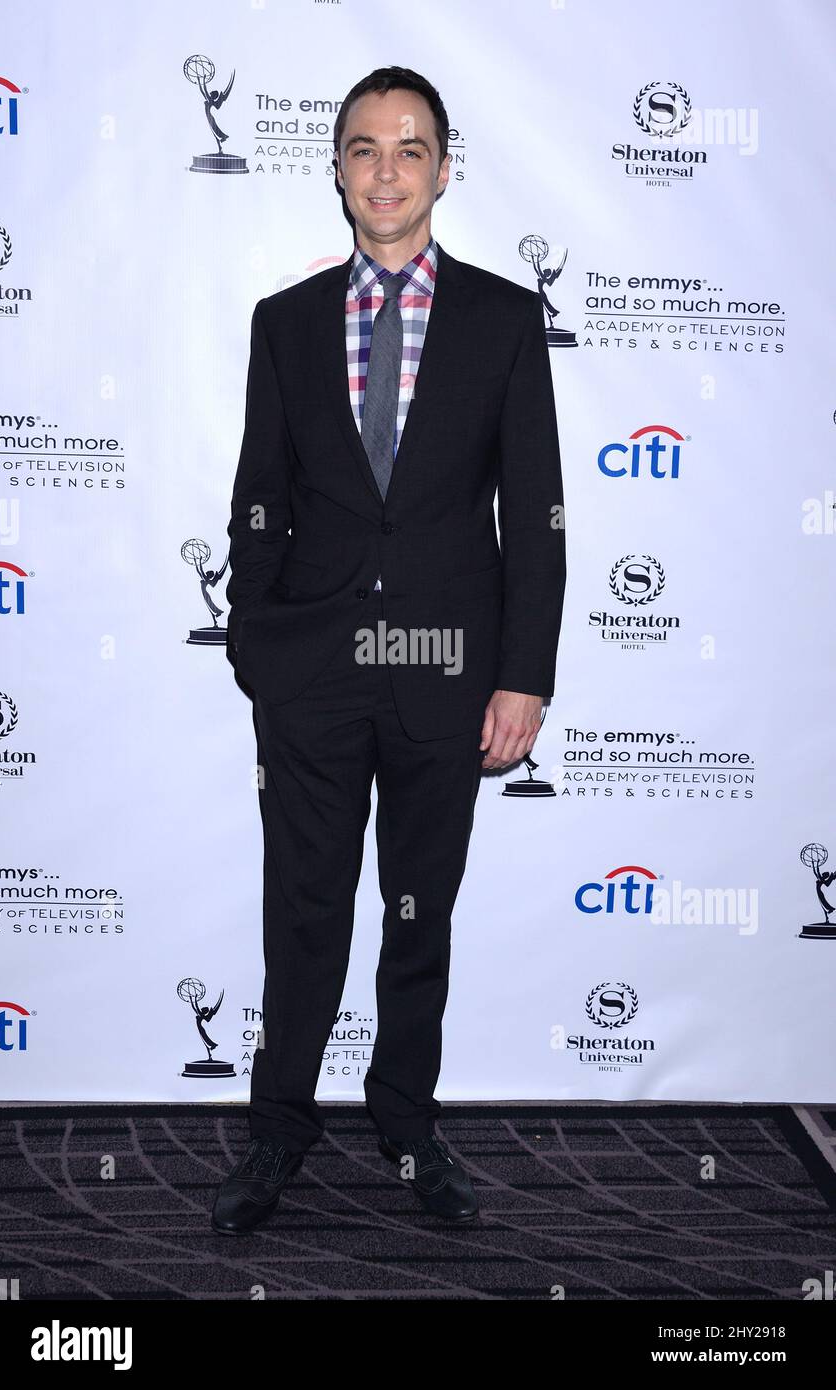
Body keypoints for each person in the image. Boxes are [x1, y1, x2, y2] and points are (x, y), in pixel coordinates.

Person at [211, 66, 566, 1234]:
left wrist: (523, 674)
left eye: (410, 149)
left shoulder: (507, 322)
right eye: (364, 149)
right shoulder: (286, 323)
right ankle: (277, 1134)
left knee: (419, 912)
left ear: (444, 168)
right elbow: (258, 499)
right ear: (338, 170)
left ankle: (408, 1132)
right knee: (301, 913)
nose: (386, 171)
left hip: (444, 673)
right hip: (311, 676)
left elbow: (537, 512)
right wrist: (259, 641)